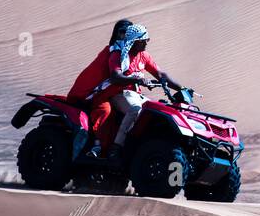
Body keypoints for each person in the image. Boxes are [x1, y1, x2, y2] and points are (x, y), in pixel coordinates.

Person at [68, 20, 183, 162]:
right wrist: (137, 79)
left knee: (155, 111)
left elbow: (161, 74)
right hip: (108, 93)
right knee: (113, 111)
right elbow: (114, 77)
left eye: (146, 39)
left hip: (132, 94)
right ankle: (110, 147)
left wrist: (182, 88)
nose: (146, 43)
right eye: (143, 40)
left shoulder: (143, 56)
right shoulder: (116, 53)